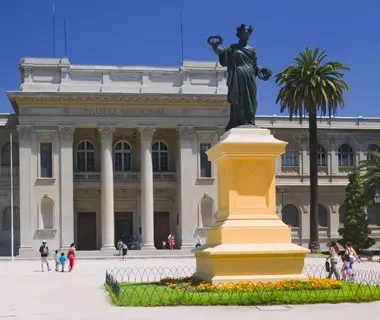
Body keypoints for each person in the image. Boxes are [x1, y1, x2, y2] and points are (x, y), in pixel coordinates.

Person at [207, 24, 272, 131]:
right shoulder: (232, 48)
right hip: (237, 77)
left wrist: (260, 69)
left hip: (250, 76)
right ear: (239, 34)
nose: (246, 34)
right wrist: (215, 47)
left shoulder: (251, 50)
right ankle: (238, 122)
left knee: (251, 99)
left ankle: (250, 120)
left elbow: (255, 64)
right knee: (239, 100)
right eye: (244, 32)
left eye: (248, 32)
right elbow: (222, 52)